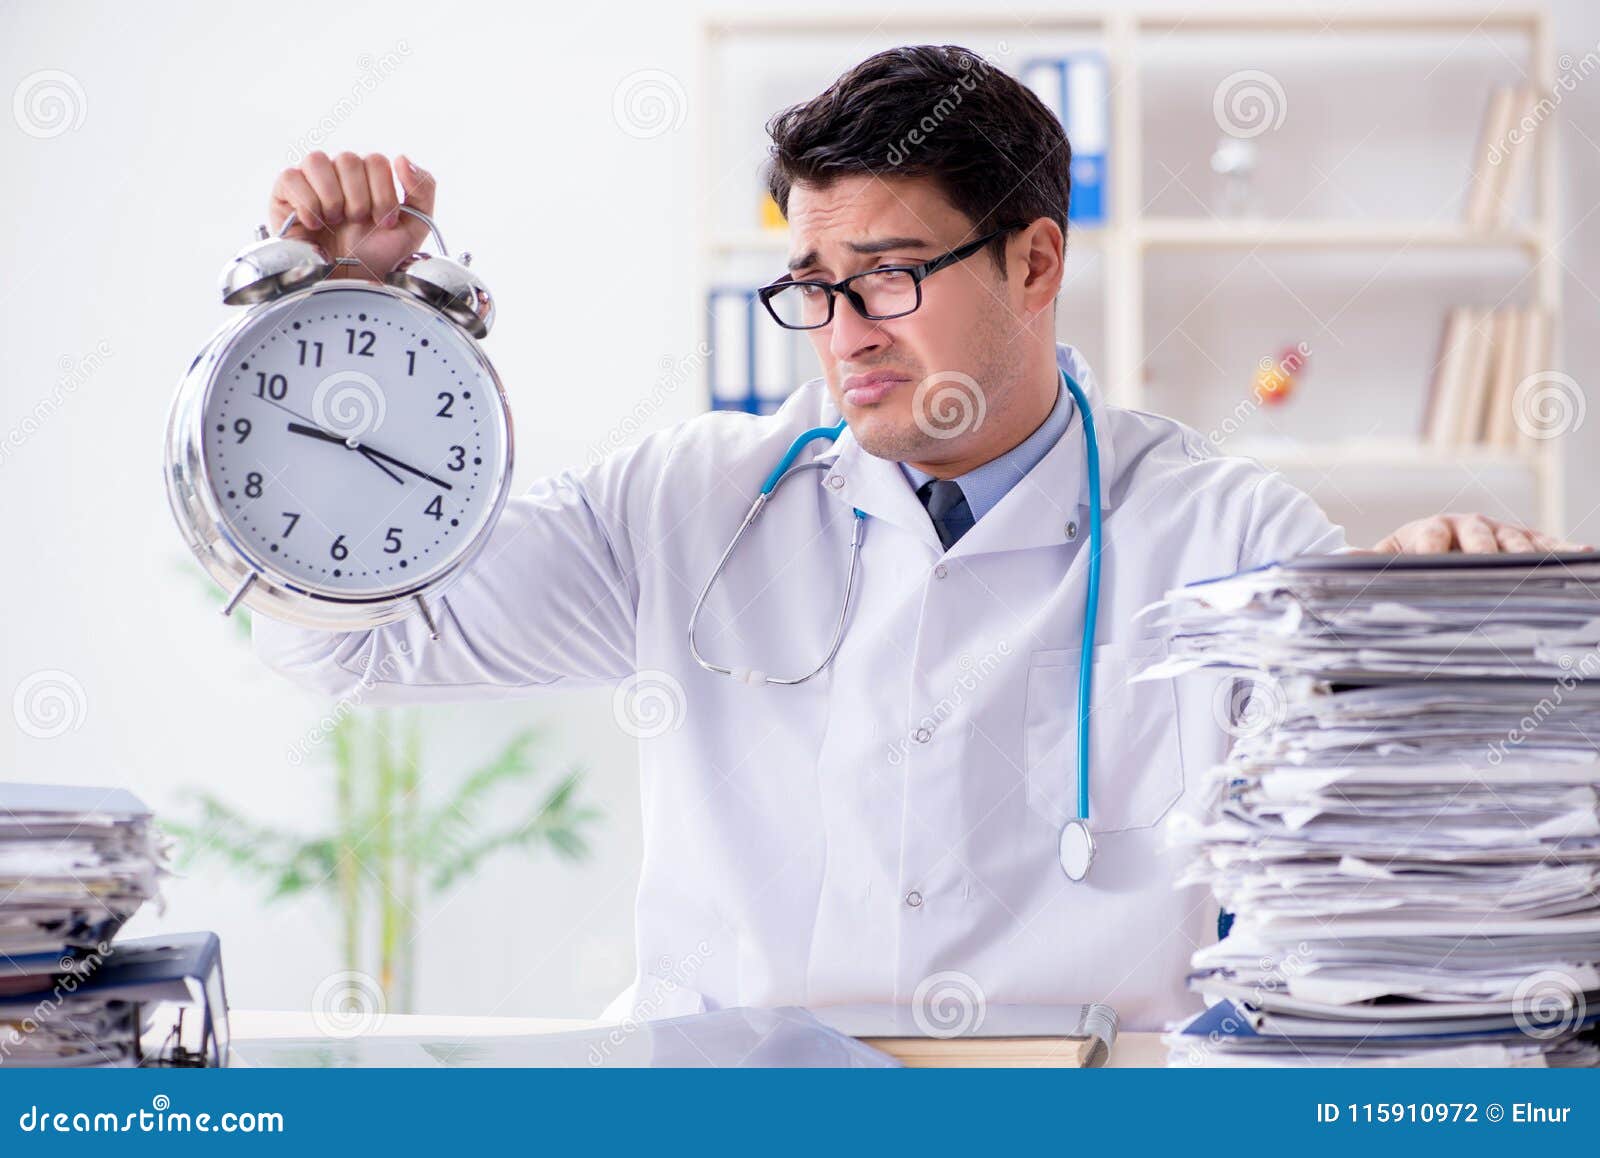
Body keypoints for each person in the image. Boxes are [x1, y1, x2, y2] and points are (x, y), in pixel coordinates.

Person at [252, 45, 1580, 1031]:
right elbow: (353, 649)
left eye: (888, 276)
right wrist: (341, 335)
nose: (845, 335)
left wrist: (1451, 645)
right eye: (814, 289)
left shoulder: (1222, 536)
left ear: (1037, 264)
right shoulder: (685, 502)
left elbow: (1387, 848)